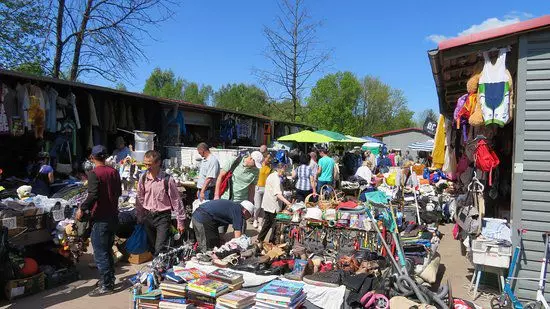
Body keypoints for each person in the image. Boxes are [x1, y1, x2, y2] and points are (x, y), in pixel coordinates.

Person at [76, 145, 121, 297]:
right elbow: (118, 192)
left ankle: (107, 285)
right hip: (113, 216)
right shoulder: (114, 172)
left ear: (92, 158)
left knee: (101, 253)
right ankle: (108, 279)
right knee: (107, 250)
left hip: (101, 218)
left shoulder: (94, 173)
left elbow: (93, 194)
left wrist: (82, 208)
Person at [136, 150, 186, 256]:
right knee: (153, 248)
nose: (147, 167)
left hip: (163, 217)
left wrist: (180, 222)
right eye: (145, 164)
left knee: (160, 248)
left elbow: (176, 201)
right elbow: (140, 198)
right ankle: (159, 268)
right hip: (148, 216)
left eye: (149, 164)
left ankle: (158, 270)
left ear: (158, 163)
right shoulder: (143, 178)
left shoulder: (168, 180)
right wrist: (140, 216)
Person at [257, 164, 292, 243]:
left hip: (268, 204)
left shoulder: (271, 175)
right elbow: (277, 194)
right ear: (280, 169)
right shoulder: (276, 178)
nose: (284, 173)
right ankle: (271, 243)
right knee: (275, 226)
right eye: (283, 170)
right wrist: (288, 203)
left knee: (267, 224)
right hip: (272, 205)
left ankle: (260, 240)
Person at [253, 155, 272, 229]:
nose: (270, 159)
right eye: (268, 158)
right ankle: (255, 219)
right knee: (257, 206)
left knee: (263, 207)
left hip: (266, 188)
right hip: (258, 187)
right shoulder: (259, 165)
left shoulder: (270, 167)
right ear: (264, 158)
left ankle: (260, 223)